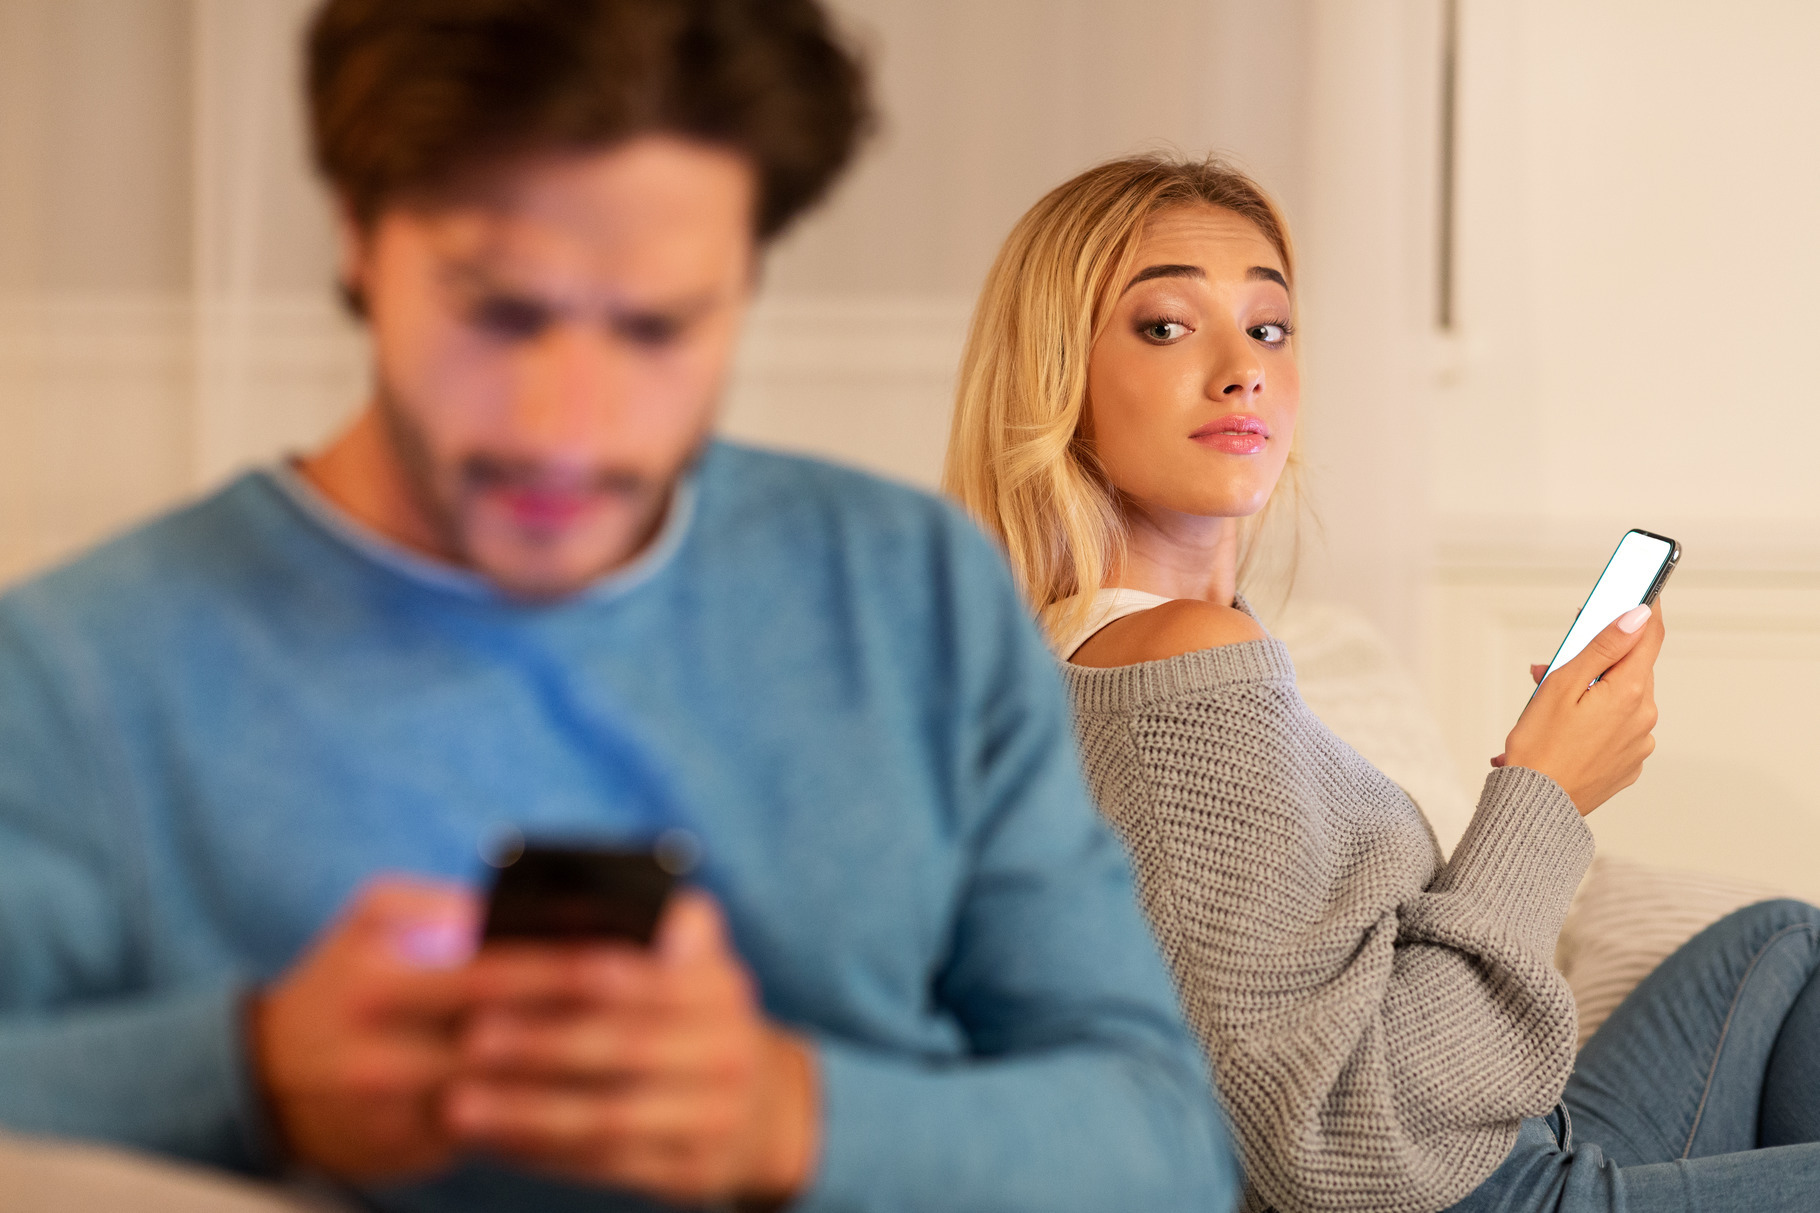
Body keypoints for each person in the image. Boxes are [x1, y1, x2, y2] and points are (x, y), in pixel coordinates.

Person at [0, 6, 1242, 1211]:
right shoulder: (82, 670)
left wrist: (780, 1117)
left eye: (658, 327)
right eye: (499, 311)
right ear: (356, 239)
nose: (567, 428)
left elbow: (1165, 1148)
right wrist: (251, 1073)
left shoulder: (909, 592)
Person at [944, 152, 1820, 1213]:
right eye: (1166, 326)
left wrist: (1539, 779)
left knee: (1779, 942)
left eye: (1268, 327)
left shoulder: (1090, 653)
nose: (1241, 369)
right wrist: (1546, 795)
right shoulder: (1177, 656)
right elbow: (1331, 1143)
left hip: (1503, 1151)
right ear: (1057, 375)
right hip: (1469, 1192)